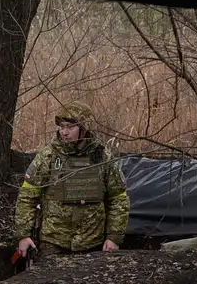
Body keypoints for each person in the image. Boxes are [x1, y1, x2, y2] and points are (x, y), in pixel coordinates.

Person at [13, 102, 130, 258]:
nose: (64, 132)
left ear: (84, 128)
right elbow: (27, 196)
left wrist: (114, 237)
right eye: (62, 127)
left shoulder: (102, 157)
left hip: (92, 242)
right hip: (53, 242)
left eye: (70, 127)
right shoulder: (48, 156)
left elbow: (118, 198)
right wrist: (24, 235)